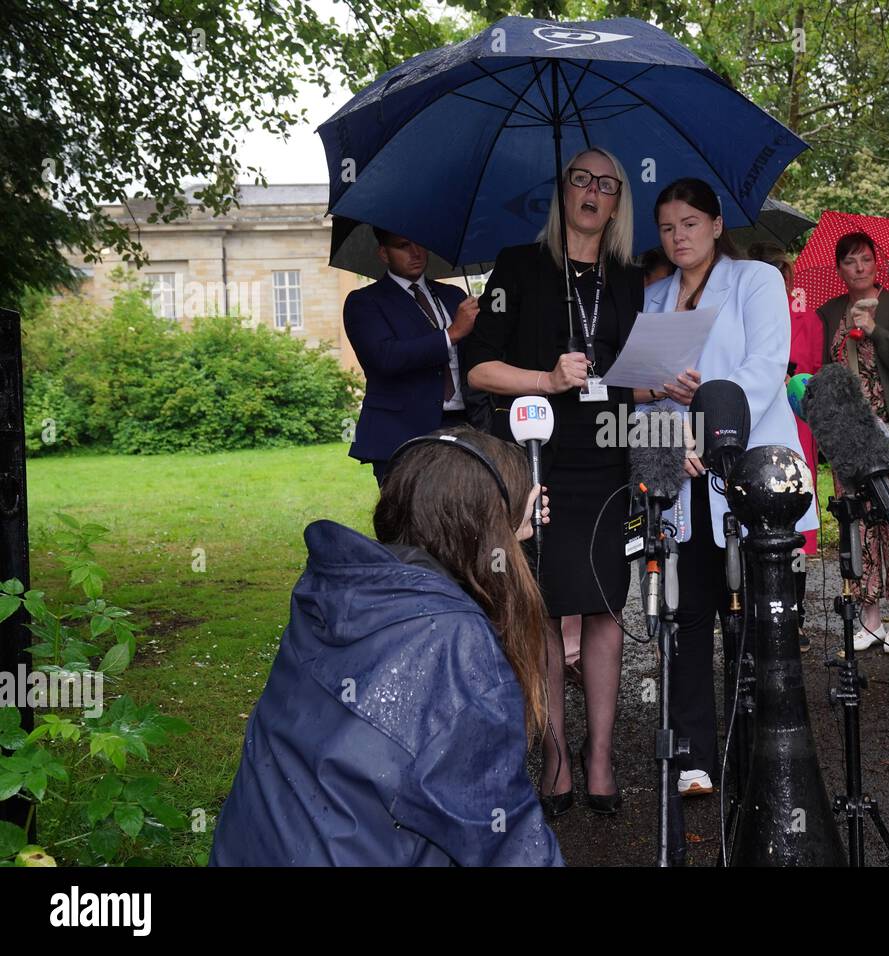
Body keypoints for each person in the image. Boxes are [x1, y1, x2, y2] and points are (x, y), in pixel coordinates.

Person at [210, 427, 562, 866]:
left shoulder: (339, 592)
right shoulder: (454, 642)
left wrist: (508, 526)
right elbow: (506, 841)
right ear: (488, 529)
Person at [463, 147, 657, 817]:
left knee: (604, 608)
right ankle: (556, 756)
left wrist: (666, 381)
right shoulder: (519, 267)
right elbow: (478, 369)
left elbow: (639, 374)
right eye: (582, 179)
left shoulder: (631, 279)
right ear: (564, 189)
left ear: (617, 201)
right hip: (537, 465)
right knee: (542, 610)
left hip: (608, 463)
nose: (594, 192)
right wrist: (546, 379)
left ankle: (601, 754)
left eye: (608, 183)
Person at [643, 179, 817, 797]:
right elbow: (645, 390)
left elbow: (768, 368)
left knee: (757, 619)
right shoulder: (655, 297)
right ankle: (694, 753)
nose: (678, 236)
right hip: (683, 479)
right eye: (666, 227)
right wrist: (669, 441)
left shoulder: (755, 281)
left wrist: (710, 400)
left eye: (690, 222)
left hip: (753, 473)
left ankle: (762, 747)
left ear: (717, 225)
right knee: (686, 615)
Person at [816, 231, 889, 654]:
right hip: (851, 444)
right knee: (858, 529)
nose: (859, 268)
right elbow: (819, 373)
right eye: (849, 261)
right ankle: (869, 620)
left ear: (876, 262)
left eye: (865, 259)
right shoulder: (829, 312)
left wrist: (877, 332)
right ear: (839, 269)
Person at [342, 229, 483, 484]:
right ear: (384, 254)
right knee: (408, 518)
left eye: (420, 244)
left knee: (462, 514)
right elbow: (385, 358)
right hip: (401, 430)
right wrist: (451, 334)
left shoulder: (453, 296)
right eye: (403, 246)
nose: (415, 253)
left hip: (463, 423)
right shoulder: (364, 302)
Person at [749, 240, 823, 652]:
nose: (778, 281)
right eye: (769, 272)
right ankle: (753, 613)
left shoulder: (807, 320)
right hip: (755, 425)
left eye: (783, 273)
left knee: (795, 525)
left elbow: (813, 375)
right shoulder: (742, 316)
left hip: (796, 426)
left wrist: (794, 383)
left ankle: (794, 618)